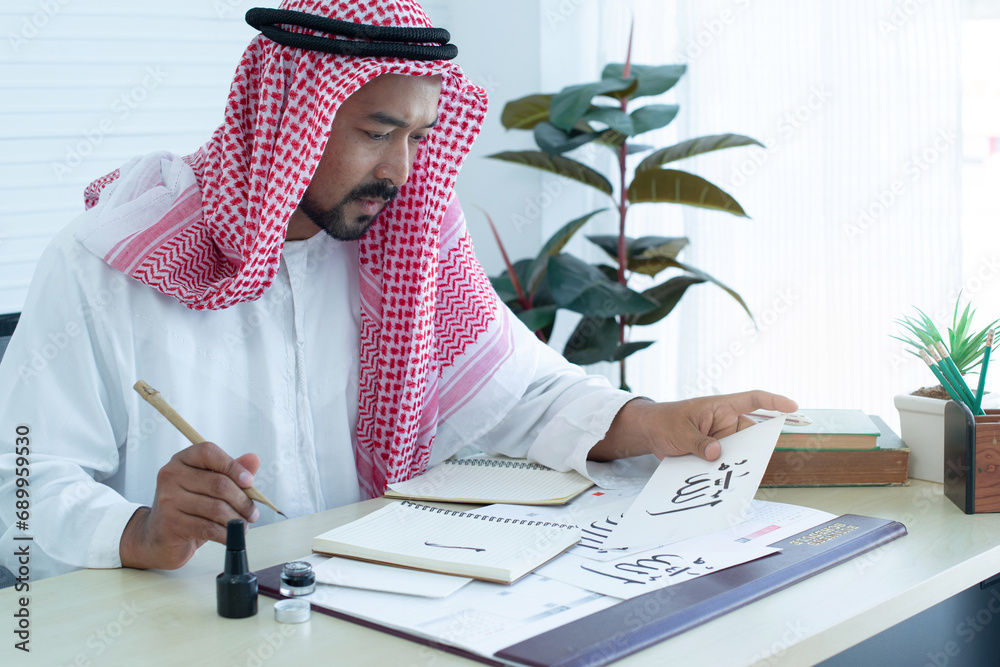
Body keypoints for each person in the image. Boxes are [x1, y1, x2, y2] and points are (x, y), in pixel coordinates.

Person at [0, 0, 796, 581]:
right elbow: (19, 489)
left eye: (418, 136)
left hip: (362, 610)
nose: (402, 172)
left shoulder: (405, 239)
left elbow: (521, 394)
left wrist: (653, 422)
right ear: (286, 119)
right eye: (377, 133)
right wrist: (141, 528)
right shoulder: (107, 261)